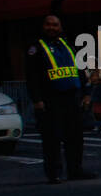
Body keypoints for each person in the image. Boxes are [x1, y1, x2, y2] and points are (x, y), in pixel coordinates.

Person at [25, 14, 95, 184]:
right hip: (50, 99)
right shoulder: (36, 48)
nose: (52, 28)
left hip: (72, 97)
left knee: (75, 136)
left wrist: (86, 93)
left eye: (55, 25)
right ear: (43, 26)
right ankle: (54, 173)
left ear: (60, 27)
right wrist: (37, 99)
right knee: (52, 138)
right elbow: (31, 76)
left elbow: (80, 69)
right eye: (48, 24)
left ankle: (75, 170)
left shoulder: (68, 44)